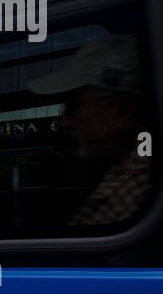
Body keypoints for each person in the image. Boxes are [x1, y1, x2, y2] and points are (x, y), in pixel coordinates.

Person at [28, 37, 152, 226]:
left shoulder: (133, 190)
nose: (64, 122)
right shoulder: (132, 173)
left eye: (74, 106)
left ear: (123, 111)